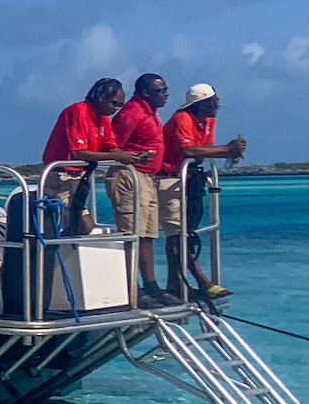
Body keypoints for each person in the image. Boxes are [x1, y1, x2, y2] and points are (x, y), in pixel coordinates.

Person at [159, 83, 246, 299]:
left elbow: (203, 150)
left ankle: (174, 285)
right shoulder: (182, 118)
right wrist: (226, 149)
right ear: (202, 104)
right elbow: (188, 150)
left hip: (187, 179)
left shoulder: (207, 120)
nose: (218, 105)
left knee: (183, 232)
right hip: (169, 178)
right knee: (178, 233)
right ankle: (202, 281)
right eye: (214, 101)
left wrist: (229, 153)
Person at [41, 77, 150, 235]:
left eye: (120, 105)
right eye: (115, 103)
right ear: (101, 97)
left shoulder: (103, 118)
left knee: (80, 224)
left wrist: (134, 157)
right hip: (62, 176)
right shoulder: (78, 111)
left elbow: (111, 147)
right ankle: (52, 245)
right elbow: (78, 152)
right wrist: (118, 157)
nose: (117, 109)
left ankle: (57, 244)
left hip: (79, 178)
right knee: (84, 225)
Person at [107, 73, 171, 308]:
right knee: (132, 234)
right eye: (161, 91)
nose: (166, 95)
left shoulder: (151, 113)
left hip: (147, 178)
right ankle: (130, 288)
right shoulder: (131, 114)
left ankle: (150, 285)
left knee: (147, 234)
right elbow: (112, 147)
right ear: (146, 92)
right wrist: (132, 158)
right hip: (130, 176)